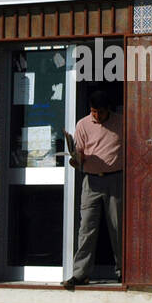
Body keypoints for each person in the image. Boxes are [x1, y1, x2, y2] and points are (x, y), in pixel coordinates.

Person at [64, 89, 123, 289]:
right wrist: (76, 159)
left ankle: (123, 271)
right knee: (86, 228)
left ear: (109, 109)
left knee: (118, 228)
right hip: (90, 181)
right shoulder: (83, 124)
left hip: (115, 180)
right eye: (93, 111)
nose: (96, 115)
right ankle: (80, 274)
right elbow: (79, 154)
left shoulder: (121, 123)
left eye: (100, 112)